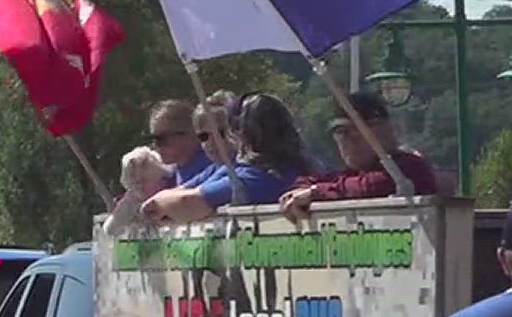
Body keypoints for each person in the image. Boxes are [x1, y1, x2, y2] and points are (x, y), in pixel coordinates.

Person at [143, 94, 313, 225]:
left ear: (241, 133)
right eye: (203, 136)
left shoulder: (261, 175)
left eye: (225, 131)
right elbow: (185, 189)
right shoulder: (234, 167)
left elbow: (187, 202)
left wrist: (160, 204)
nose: (213, 142)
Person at [279, 90, 438, 221]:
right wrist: (299, 193)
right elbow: (309, 182)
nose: (349, 140)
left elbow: (374, 186)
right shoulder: (348, 176)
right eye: (340, 132)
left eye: (360, 129)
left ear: (388, 129)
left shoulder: (409, 167)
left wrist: (316, 193)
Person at [147, 99, 215, 186]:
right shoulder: (170, 175)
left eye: (161, 138)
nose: (156, 144)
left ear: (191, 134)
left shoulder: (213, 167)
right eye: (153, 139)